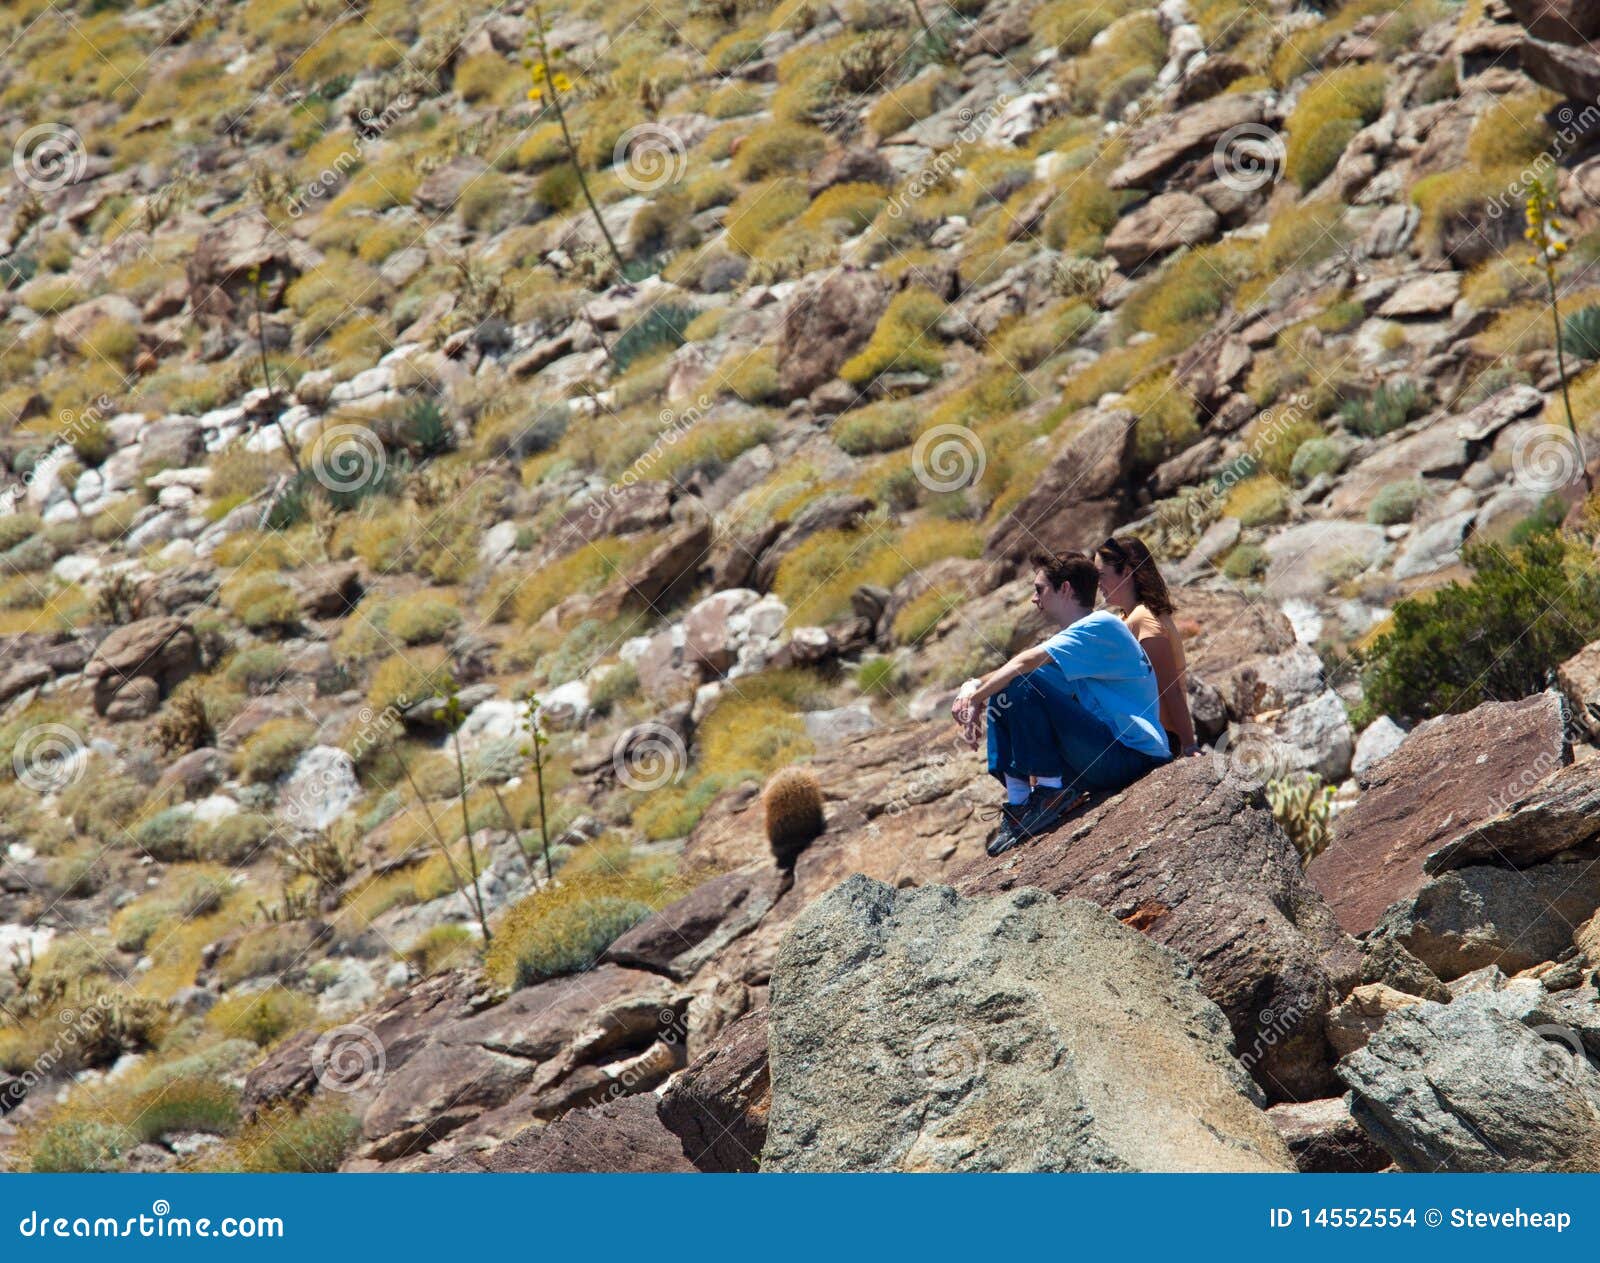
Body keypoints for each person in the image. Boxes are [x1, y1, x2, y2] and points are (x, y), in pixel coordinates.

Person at [952, 549, 1172, 857]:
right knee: (1009, 688)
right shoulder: (1076, 642)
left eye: (1039, 589)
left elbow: (1024, 664)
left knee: (1019, 680)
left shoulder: (1101, 625)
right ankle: (1019, 803)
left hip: (1133, 756)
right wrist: (973, 685)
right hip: (1105, 756)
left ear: (1065, 589)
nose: (1034, 598)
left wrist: (973, 699)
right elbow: (1016, 673)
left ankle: (1049, 793)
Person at [1094, 535, 1198, 759]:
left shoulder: (1143, 619)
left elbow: (1171, 689)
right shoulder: (1128, 617)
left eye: (1101, 575)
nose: (1097, 583)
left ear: (1126, 572)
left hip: (1162, 740)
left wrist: (1189, 746)